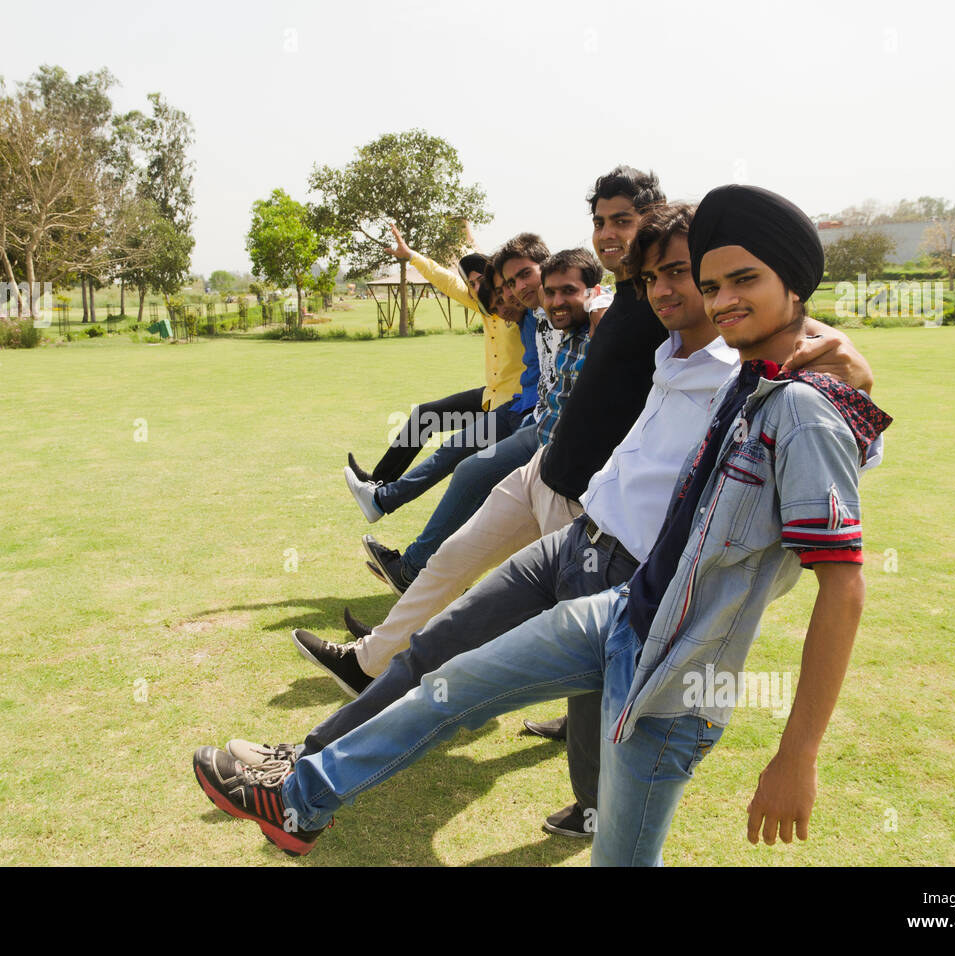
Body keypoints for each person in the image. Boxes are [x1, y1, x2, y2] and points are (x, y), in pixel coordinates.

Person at [198, 188, 887, 858]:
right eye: (704, 281)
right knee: (452, 682)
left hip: (671, 664)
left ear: (794, 284)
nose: (713, 296)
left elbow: (840, 578)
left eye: (734, 279)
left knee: (618, 849)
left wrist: (797, 755)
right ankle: (300, 797)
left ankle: (322, 789)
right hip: (616, 599)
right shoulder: (732, 365)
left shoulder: (794, 398)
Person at [295, 247, 601, 691]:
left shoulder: (584, 318)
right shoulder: (522, 314)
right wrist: (422, 257)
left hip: (531, 433)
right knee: (454, 540)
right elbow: (456, 281)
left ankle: (391, 525)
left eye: (516, 280)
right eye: (501, 285)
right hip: (526, 438)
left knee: (559, 606)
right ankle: (375, 654)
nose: (511, 291)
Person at [342, 234, 552, 528]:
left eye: (481, 280)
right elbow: (446, 280)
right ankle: (378, 485)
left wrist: (472, 240)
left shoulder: (517, 304)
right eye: (472, 284)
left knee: (465, 469)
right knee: (425, 417)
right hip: (489, 398)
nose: (477, 287)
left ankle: (431, 542)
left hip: (513, 406)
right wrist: (411, 255)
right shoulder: (484, 305)